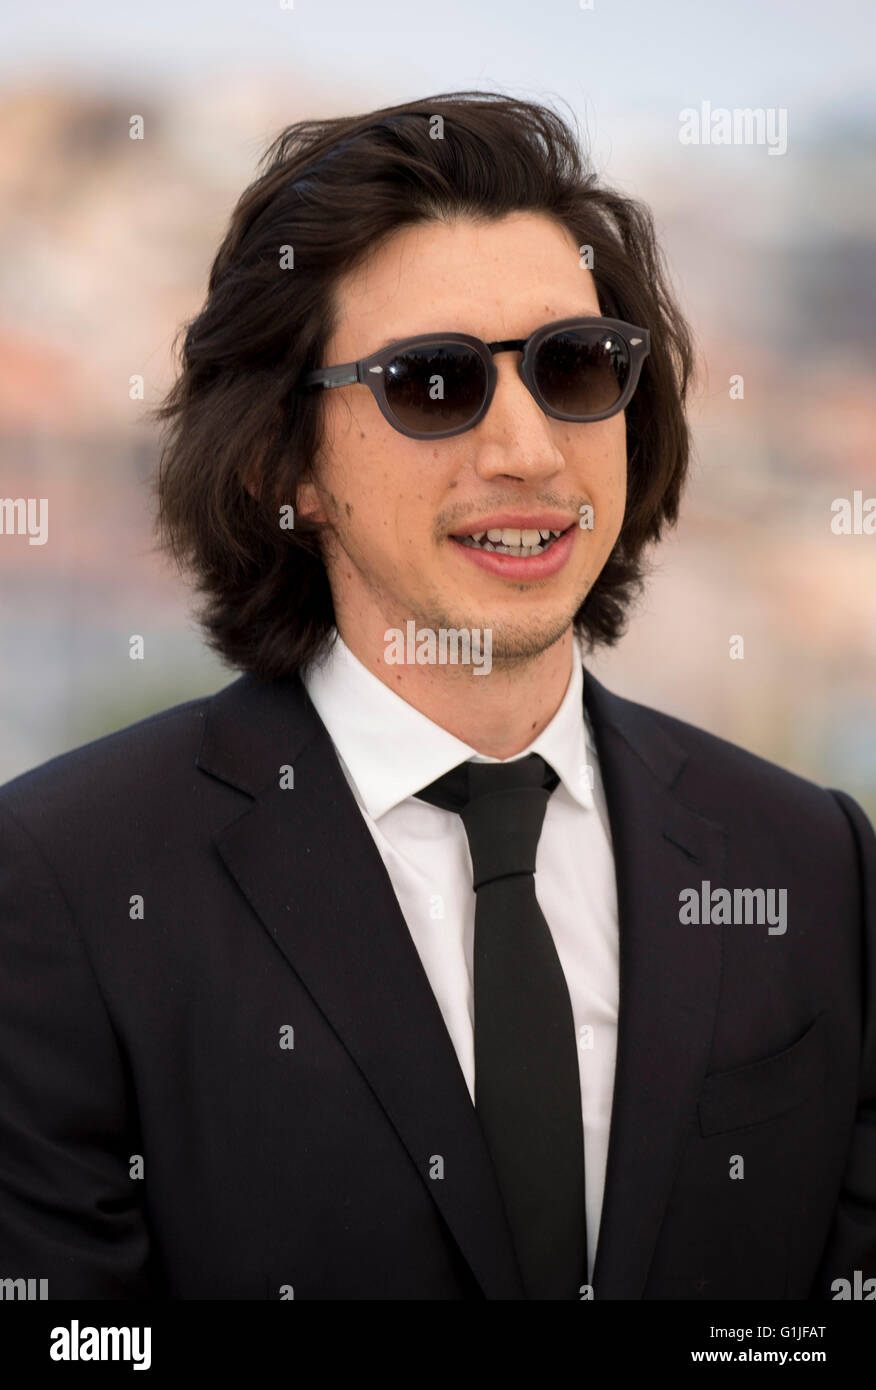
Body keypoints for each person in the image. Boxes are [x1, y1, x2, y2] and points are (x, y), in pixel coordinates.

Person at [0, 91, 873, 1302]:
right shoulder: (64, 883)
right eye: (432, 383)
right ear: (280, 464)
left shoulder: (813, 863)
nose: (527, 449)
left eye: (577, 367)